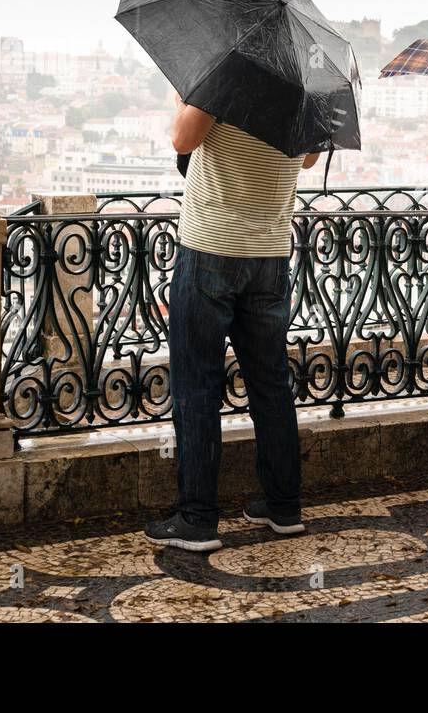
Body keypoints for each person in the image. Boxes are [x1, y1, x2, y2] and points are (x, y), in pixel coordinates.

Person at [145, 100, 319, 551]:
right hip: (269, 253)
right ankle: (283, 506)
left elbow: (183, 138)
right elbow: (311, 156)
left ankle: (198, 518)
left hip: (210, 247)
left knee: (197, 386)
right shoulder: (301, 87)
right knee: (270, 385)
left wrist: (186, 96)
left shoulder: (225, 78)